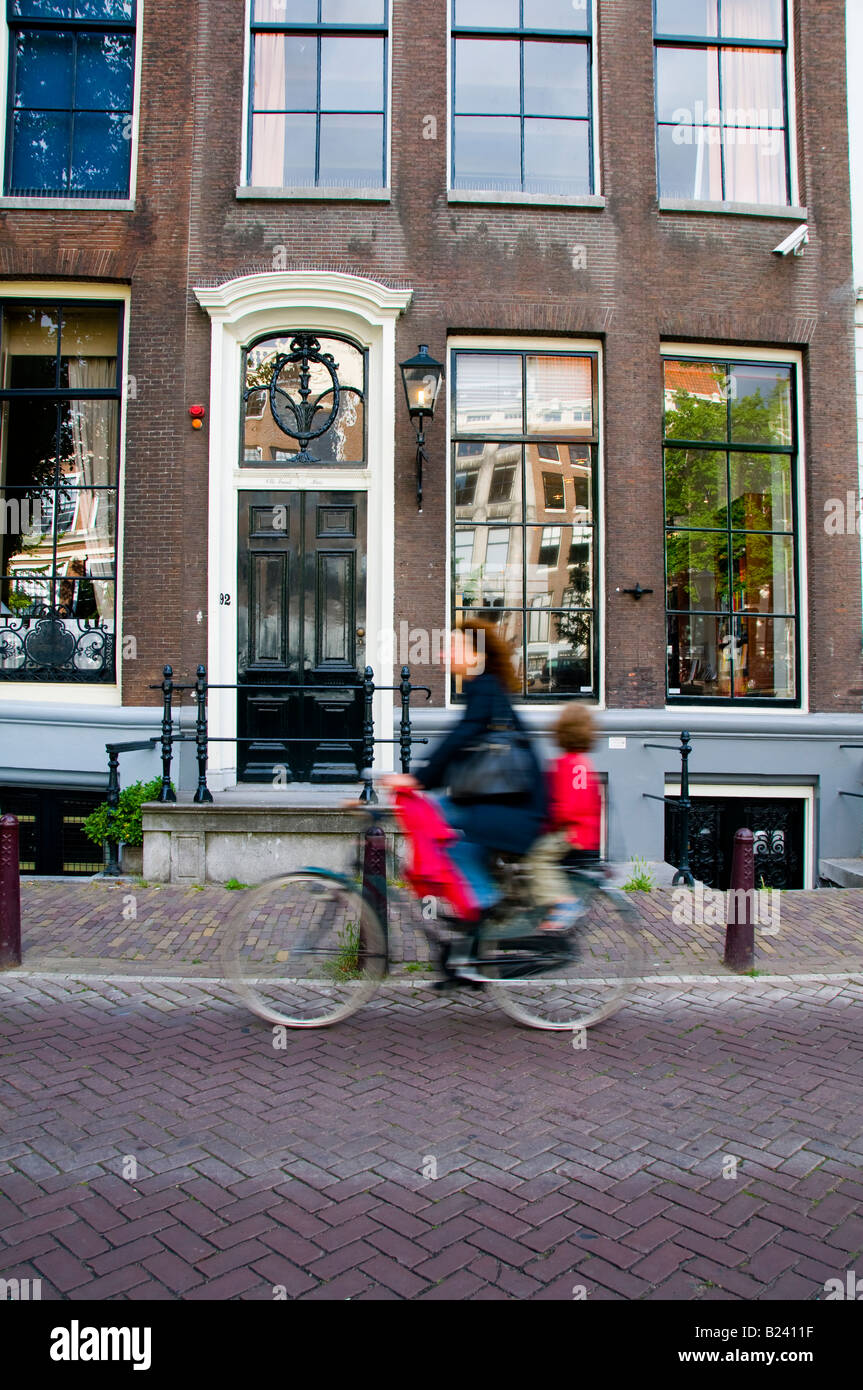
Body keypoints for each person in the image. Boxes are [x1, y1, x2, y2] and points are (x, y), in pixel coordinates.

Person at [384, 618, 547, 969]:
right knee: (441, 821)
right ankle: (474, 928)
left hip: (514, 806)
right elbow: (464, 741)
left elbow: (462, 737)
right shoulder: (485, 688)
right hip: (501, 801)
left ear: (476, 654)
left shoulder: (486, 688)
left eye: (453, 646)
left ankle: (481, 914)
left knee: (448, 836)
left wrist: (417, 780)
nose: (444, 653)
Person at [522, 703, 601, 932]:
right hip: (586, 833)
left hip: (571, 833)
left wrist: (544, 823)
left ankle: (563, 903)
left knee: (537, 857)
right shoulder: (585, 764)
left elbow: (564, 809)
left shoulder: (565, 764)